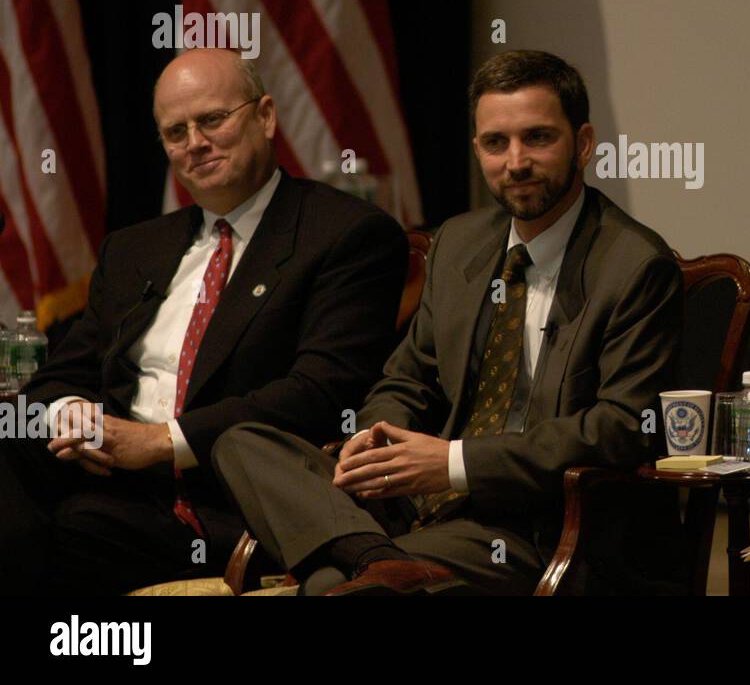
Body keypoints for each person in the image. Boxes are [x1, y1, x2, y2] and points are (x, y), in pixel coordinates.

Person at [211, 50, 684, 595]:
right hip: (412, 504)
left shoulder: (636, 266)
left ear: (582, 144)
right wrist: (374, 441)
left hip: (528, 526)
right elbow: (407, 378)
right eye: (495, 143)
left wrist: (454, 463)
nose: (516, 162)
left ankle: (347, 564)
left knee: (328, 588)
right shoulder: (462, 241)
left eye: (538, 138)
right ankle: (373, 559)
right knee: (243, 442)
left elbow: (621, 429)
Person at [0, 48, 408, 595]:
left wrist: (162, 441)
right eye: (176, 132)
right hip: (109, 472)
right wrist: (75, 416)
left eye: (213, 120)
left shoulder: (345, 235)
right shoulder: (135, 248)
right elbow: (62, 373)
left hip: (222, 495)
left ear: (265, 115)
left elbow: (321, 392)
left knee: (70, 527)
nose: (195, 142)